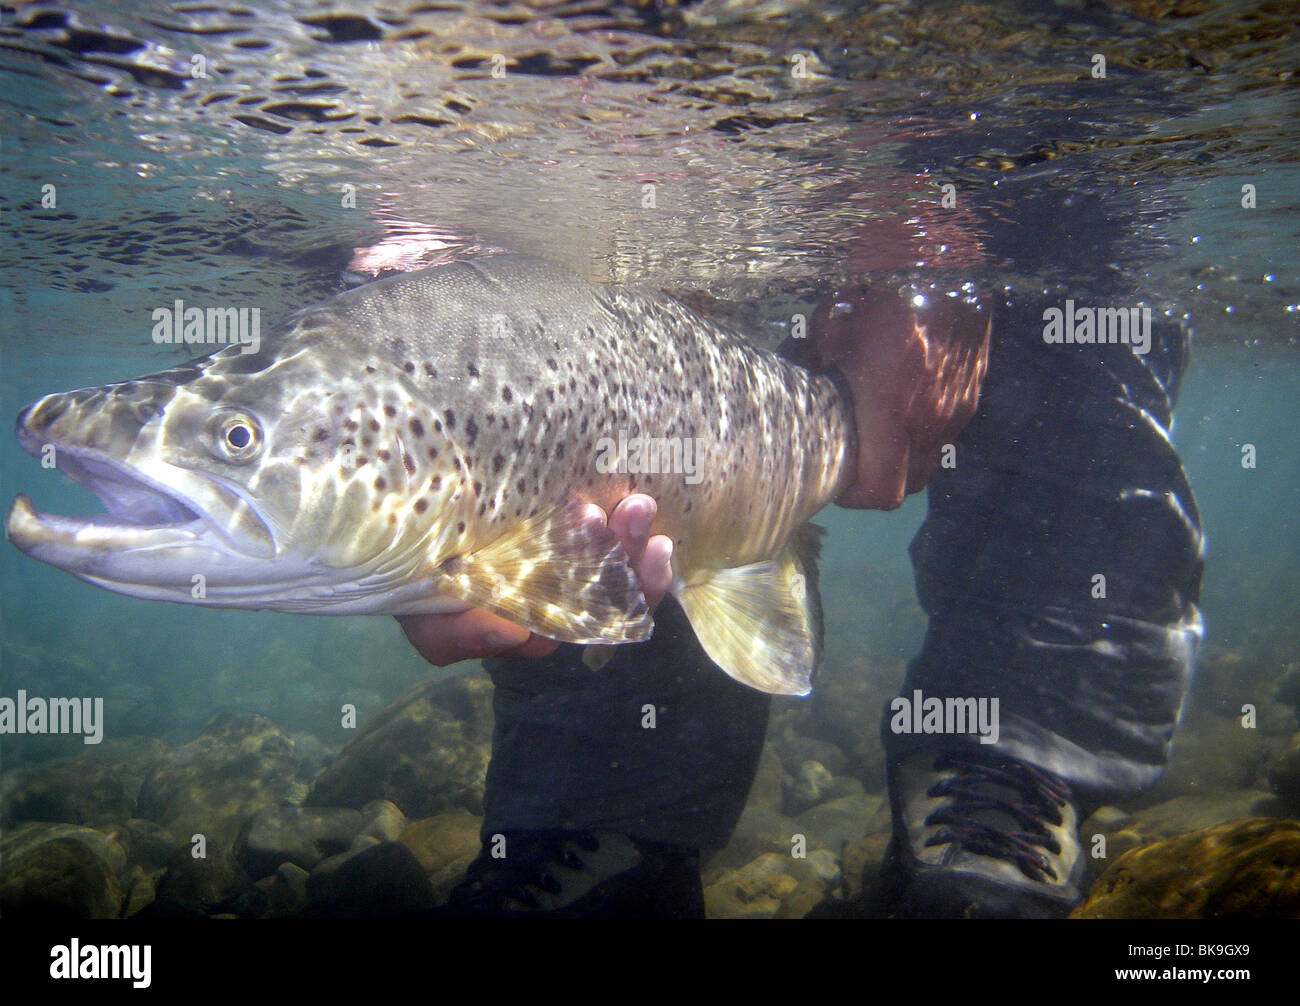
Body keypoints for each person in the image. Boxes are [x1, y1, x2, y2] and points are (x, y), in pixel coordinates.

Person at [399, 267, 1203, 919]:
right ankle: (599, 818)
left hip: (995, 133)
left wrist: (929, 258)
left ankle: (1012, 761)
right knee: (619, 378)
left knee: (1071, 302)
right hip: (627, 141)